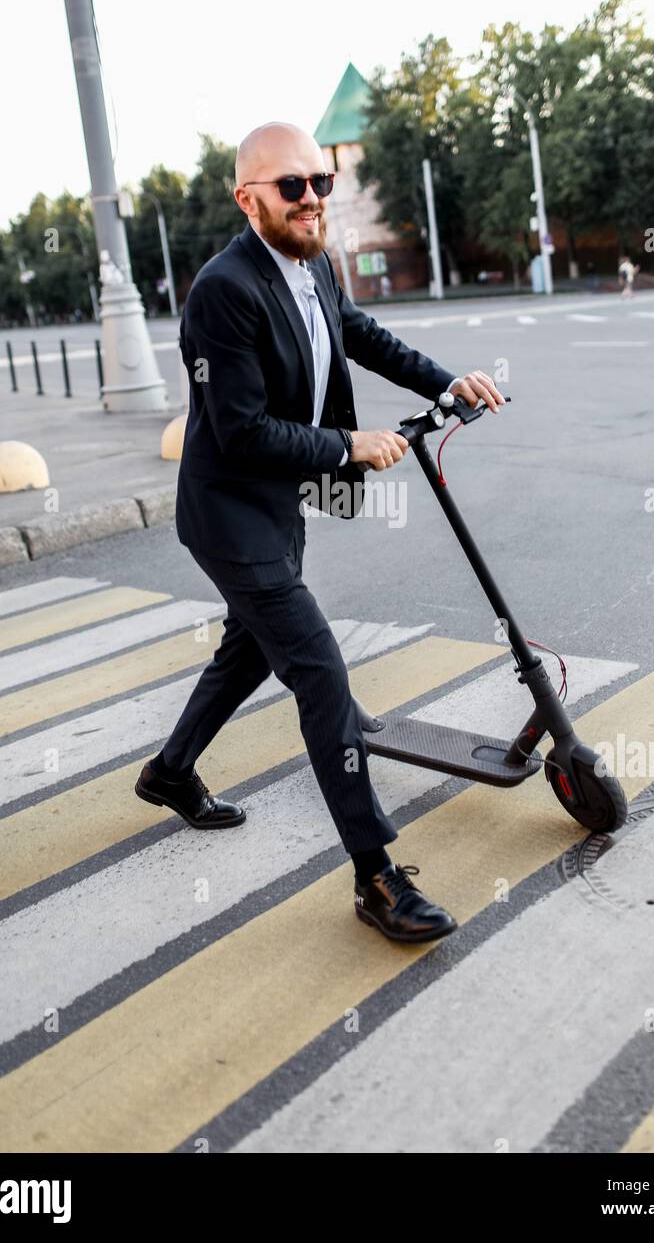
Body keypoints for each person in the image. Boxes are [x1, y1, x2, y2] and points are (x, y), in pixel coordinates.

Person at [135, 120, 505, 944]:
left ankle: (168, 773)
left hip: (280, 503)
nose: (312, 199)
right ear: (248, 198)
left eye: (321, 182)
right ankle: (376, 877)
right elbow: (237, 432)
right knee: (319, 671)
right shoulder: (222, 291)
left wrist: (451, 382)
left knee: (250, 648)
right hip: (229, 512)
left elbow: (361, 338)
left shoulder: (316, 265)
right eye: (292, 187)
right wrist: (347, 445)